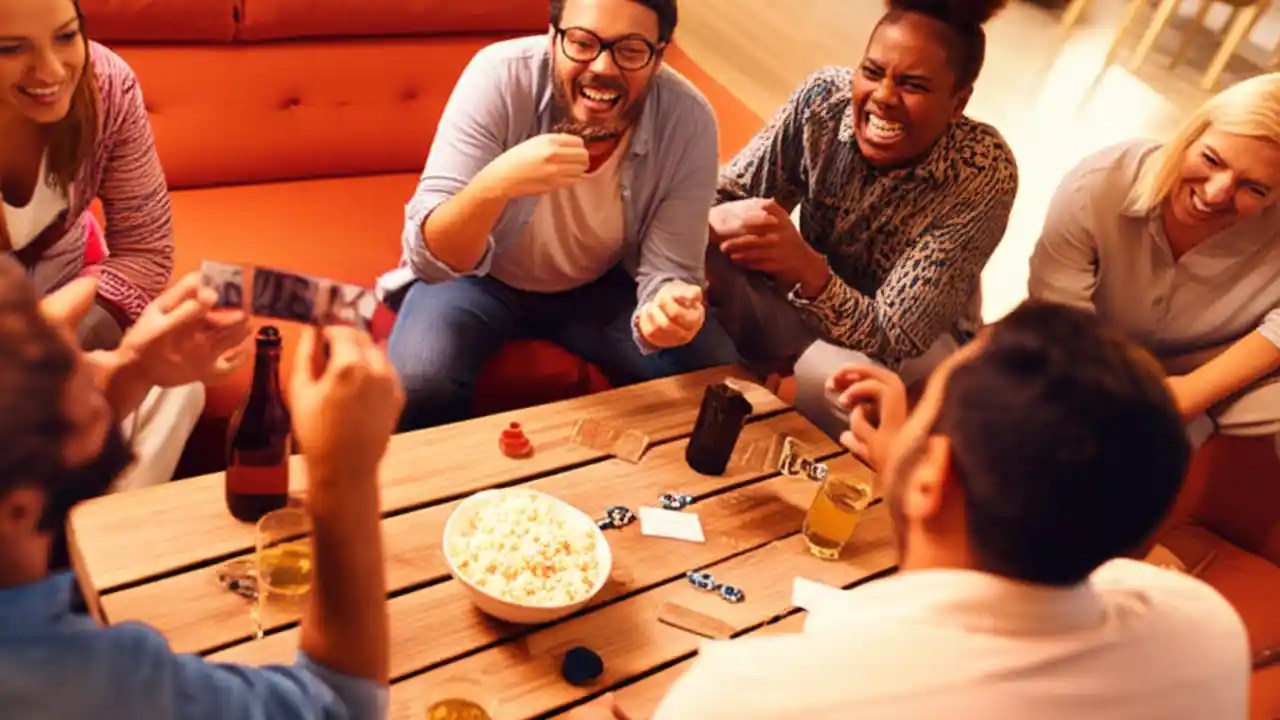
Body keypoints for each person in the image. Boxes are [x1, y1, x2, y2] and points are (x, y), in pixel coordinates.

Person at [641, 302, 1248, 719]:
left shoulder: (747, 694)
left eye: (931, 401)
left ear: (935, 476)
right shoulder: (1203, 627)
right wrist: (907, 460)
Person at [0, 255, 404, 719]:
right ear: (18, 511)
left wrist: (131, 365)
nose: (87, 357)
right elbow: (341, 705)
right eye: (63, 374)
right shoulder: (82, 685)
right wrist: (343, 474)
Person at [376, 0, 739, 431]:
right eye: (582, 43)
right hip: (479, 279)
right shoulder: (499, 76)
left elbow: (670, 271)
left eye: (631, 50)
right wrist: (497, 184)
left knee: (718, 378)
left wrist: (666, 314)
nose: (602, 68)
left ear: (659, 56)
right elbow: (428, 254)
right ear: (553, 38)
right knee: (418, 384)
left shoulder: (688, 120)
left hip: (599, 288)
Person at [705, 0, 1017, 439]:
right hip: (800, 308)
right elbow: (723, 196)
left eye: (912, 85)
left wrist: (807, 270)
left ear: (957, 103)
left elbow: (895, 335)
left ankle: (782, 372)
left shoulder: (982, 171)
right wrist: (730, 218)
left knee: (844, 396)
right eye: (872, 72)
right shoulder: (822, 101)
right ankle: (772, 367)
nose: (884, 97)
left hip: (905, 352)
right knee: (690, 254)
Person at [0, 0, 201, 489]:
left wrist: (66, 318)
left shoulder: (107, 84)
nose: (50, 70)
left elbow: (147, 252)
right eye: (10, 48)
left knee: (180, 386)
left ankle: (103, 552)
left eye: (67, 36)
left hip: (69, 320)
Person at [1030, 73, 1280, 439]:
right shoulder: (1100, 184)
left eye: (1254, 187)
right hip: (1081, 355)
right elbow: (1059, 321)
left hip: (1210, 381)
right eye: (1211, 159)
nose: (1215, 194)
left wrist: (1192, 393)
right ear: (1189, 136)